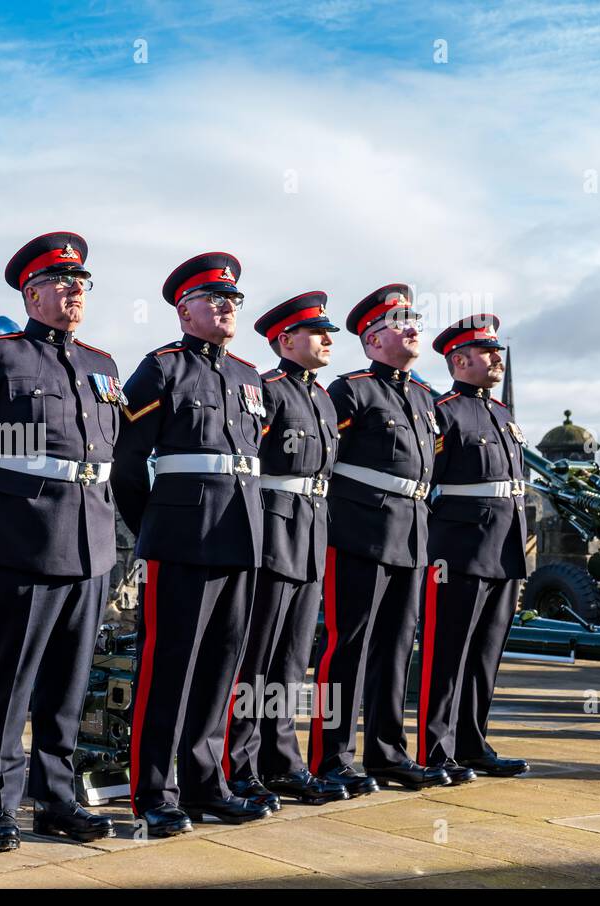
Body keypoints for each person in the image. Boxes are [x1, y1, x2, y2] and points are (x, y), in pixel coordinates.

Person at [0, 232, 120, 851]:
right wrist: (2, 510)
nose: (75, 292)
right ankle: (1, 806)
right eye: (62, 283)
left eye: (82, 284)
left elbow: (108, 455)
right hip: (21, 540)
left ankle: (58, 800)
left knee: (68, 683)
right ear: (32, 292)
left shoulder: (101, 365)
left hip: (91, 541)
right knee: (9, 679)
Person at [112, 251, 271, 832]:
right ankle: (154, 793)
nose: (227, 306)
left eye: (232, 298)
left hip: (240, 538)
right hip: (181, 540)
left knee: (220, 668)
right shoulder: (161, 370)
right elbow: (127, 464)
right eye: (214, 299)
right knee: (168, 668)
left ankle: (207, 784)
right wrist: (155, 526)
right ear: (184, 311)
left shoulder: (250, 377)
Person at [313, 284, 451, 791]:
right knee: (346, 646)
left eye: (414, 319)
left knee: (397, 649)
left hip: (412, 535)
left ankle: (388, 753)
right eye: (399, 322)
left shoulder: (423, 396)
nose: (413, 328)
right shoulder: (350, 391)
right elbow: (321, 461)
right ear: (371, 340)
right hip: (358, 532)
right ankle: (330, 758)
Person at [226, 291, 350, 805]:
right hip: (273, 529)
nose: (327, 340)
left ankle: (283, 760)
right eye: (316, 333)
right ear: (285, 340)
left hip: (311, 530)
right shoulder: (267, 390)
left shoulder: (321, 397)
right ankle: (239, 764)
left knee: (293, 658)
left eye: (329, 334)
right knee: (256, 656)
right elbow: (248, 463)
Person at [420, 314, 530, 778]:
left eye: (497, 350)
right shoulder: (442, 412)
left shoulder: (502, 414)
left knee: (486, 653)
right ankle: (435, 749)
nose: (496, 357)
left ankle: (472, 742)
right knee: (448, 650)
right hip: (458, 548)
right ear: (460, 360)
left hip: (504, 547)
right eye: (487, 352)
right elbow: (425, 484)